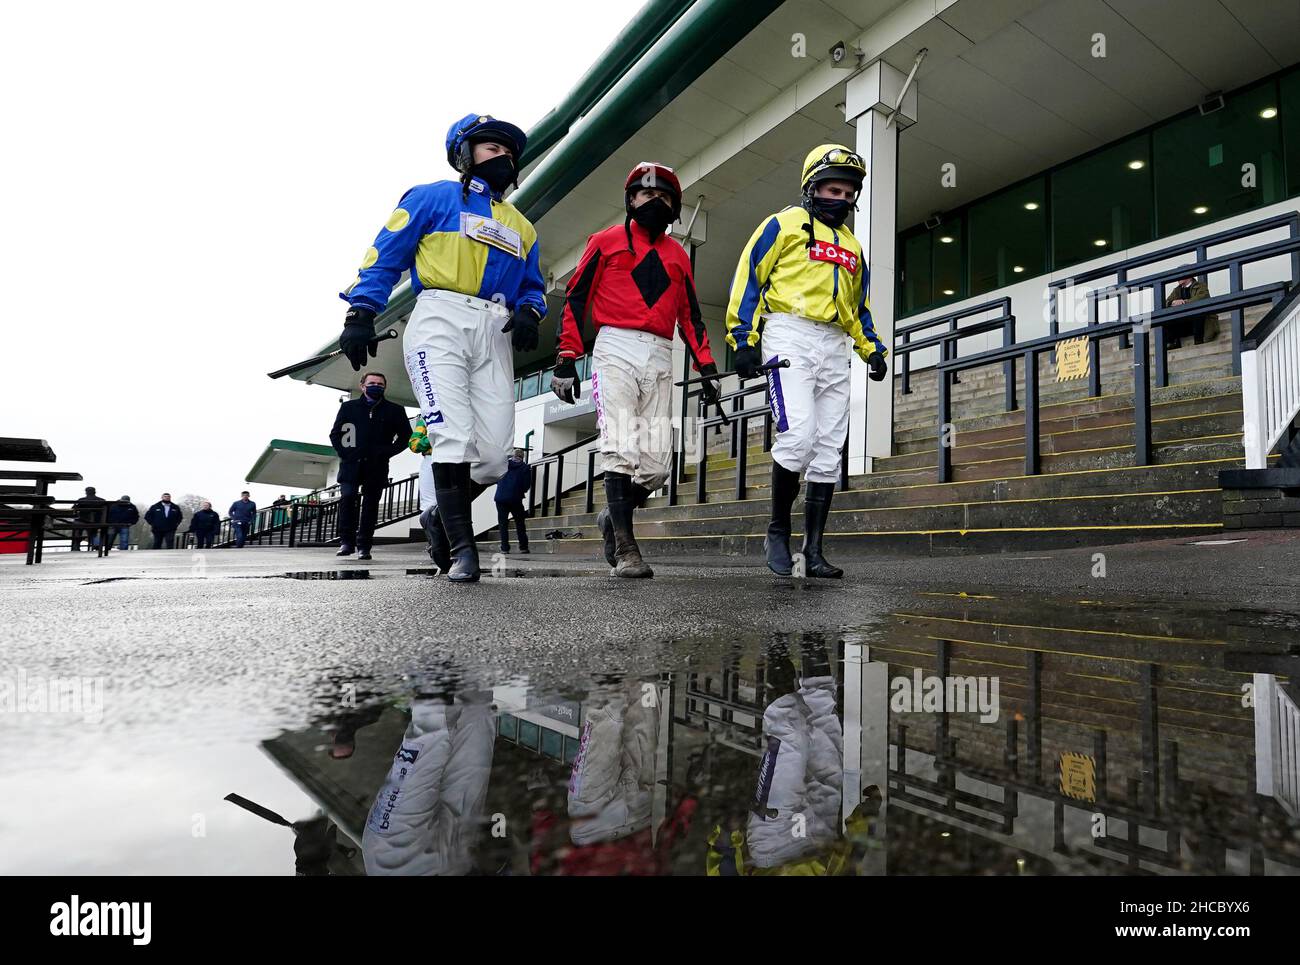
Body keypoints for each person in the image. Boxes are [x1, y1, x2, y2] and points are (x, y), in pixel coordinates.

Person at [337, 113, 546, 583]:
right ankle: (462, 549)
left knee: (494, 458)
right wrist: (361, 312)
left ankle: (437, 518)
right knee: (451, 433)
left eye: (508, 152)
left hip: (494, 330)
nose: (503, 156)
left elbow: (533, 285)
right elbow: (384, 254)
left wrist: (532, 312)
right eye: (491, 148)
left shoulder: (523, 227)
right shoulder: (431, 196)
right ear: (463, 154)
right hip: (440, 317)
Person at [726, 144, 888, 579]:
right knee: (797, 436)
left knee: (829, 450)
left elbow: (860, 307)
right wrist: (743, 337)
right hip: (789, 333)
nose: (842, 198)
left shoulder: (853, 247)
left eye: (850, 191)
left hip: (836, 343)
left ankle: (813, 551)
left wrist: (871, 348)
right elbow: (748, 279)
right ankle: (777, 530)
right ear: (811, 187)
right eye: (833, 188)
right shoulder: (782, 225)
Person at [552, 162, 719, 578]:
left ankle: (612, 517)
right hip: (615, 347)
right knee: (621, 447)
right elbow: (575, 298)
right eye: (646, 195)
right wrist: (566, 358)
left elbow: (692, 316)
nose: (654, 201)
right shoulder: (605, 241)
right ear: (630, 200)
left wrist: (708, 368)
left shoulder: (678, 255)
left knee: (658, 466)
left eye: (664, 197)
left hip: (662, 353)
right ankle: (627, 549)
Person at [328, 372, 410, 561]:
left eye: (380, 384)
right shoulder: (348, 407)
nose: (376, 386)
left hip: (377, 466)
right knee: (348, 499)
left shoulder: (395, 410)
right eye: (372, 383)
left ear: (385, 387)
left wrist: (386, 452)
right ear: (363, 385)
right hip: (351, 464)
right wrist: (346, 453)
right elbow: (335, 434)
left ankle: (364, 546)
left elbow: (405, 437)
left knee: (370, 506)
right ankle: (346, 542)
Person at [1166, 268, 1218, 348]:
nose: (1177, 278)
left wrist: (1184, 302)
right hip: (1186, 323)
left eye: (1179, 275)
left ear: (1188, 275)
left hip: (1203, 322)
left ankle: (1198, 342)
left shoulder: (1200, 286)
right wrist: (1172, 302)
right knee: (1166, 320)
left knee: (1197, 313)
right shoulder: (1177, 290)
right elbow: (1166, 302)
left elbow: (1201, 298)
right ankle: (1173, 343)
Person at [494, 448, 531, 554]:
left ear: (512, 455)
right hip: (515, 499)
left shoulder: (504, 465)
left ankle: (505, 548)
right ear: (522, 457)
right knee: (520, 523)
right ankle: (523, 547)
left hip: (500, 498)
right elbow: (526, 486)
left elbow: (497, 477)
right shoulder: (525, 468)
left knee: (503, 524)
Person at [71, 486, 107, 552]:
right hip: (95, 521)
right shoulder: (101, 500)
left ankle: (76, 547)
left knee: (77, 530)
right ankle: (95, 546)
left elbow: (74, 508)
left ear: (86, 492)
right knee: (93, 533)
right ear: (95, 492)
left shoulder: (81, 500)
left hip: (82, 520)